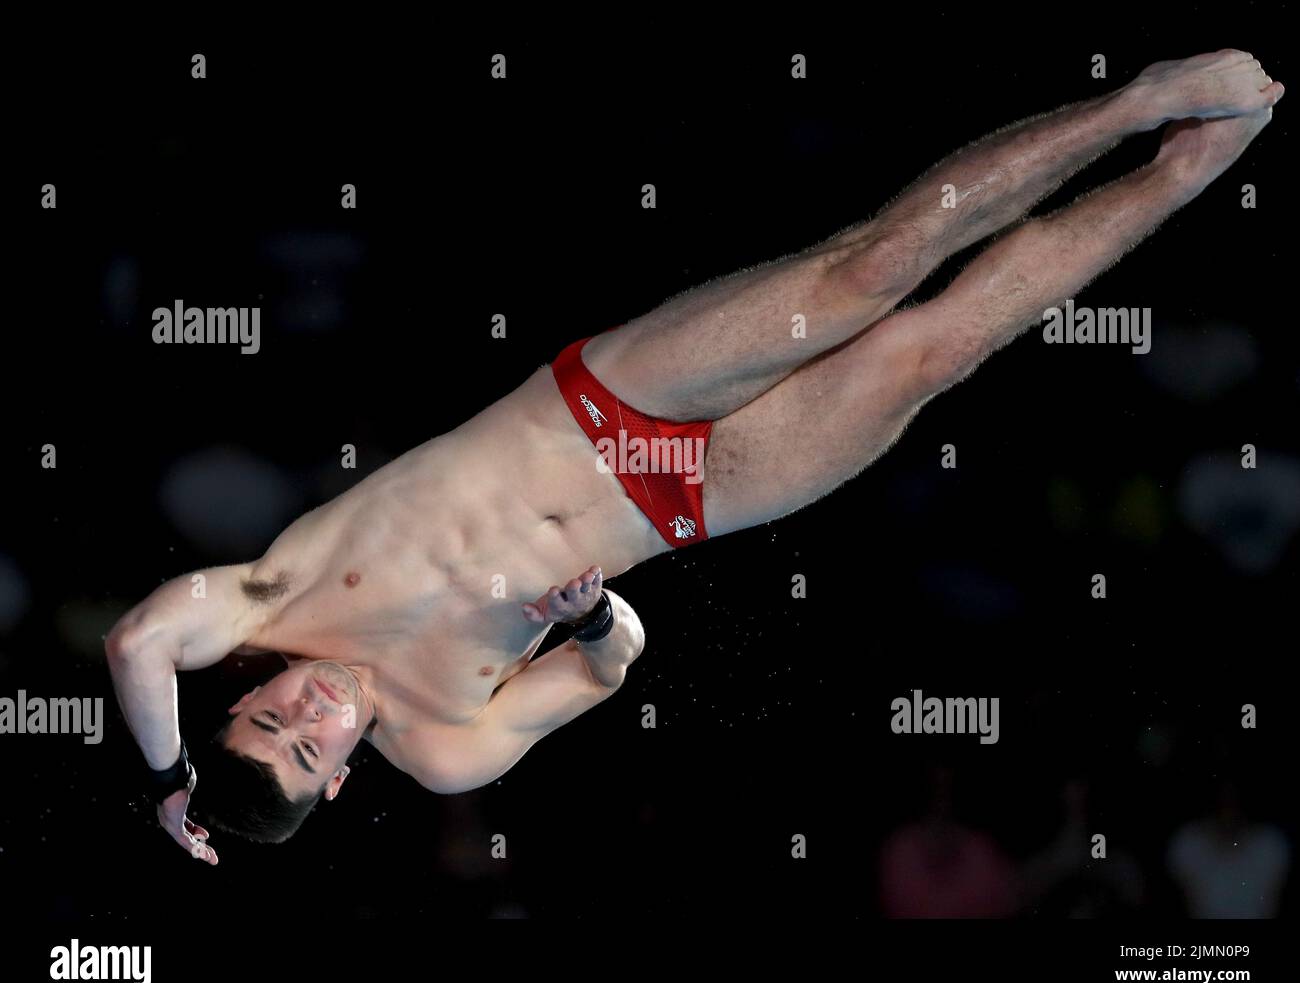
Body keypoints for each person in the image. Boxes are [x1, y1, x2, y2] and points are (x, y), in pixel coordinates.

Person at [106, 51, 1283, 863]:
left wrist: (170, 784)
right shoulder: (446, 749)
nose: (310, 711)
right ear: (341, 781)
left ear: (245, 692)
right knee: (931, 353)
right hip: (682, 506)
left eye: (270, 717)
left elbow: (137, 641)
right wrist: (587, 618)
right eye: (313, 751)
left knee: (868, 271)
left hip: (594, 408)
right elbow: (616, 664)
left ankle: (1134, 104)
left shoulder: (271, 596)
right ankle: (1176, 172)